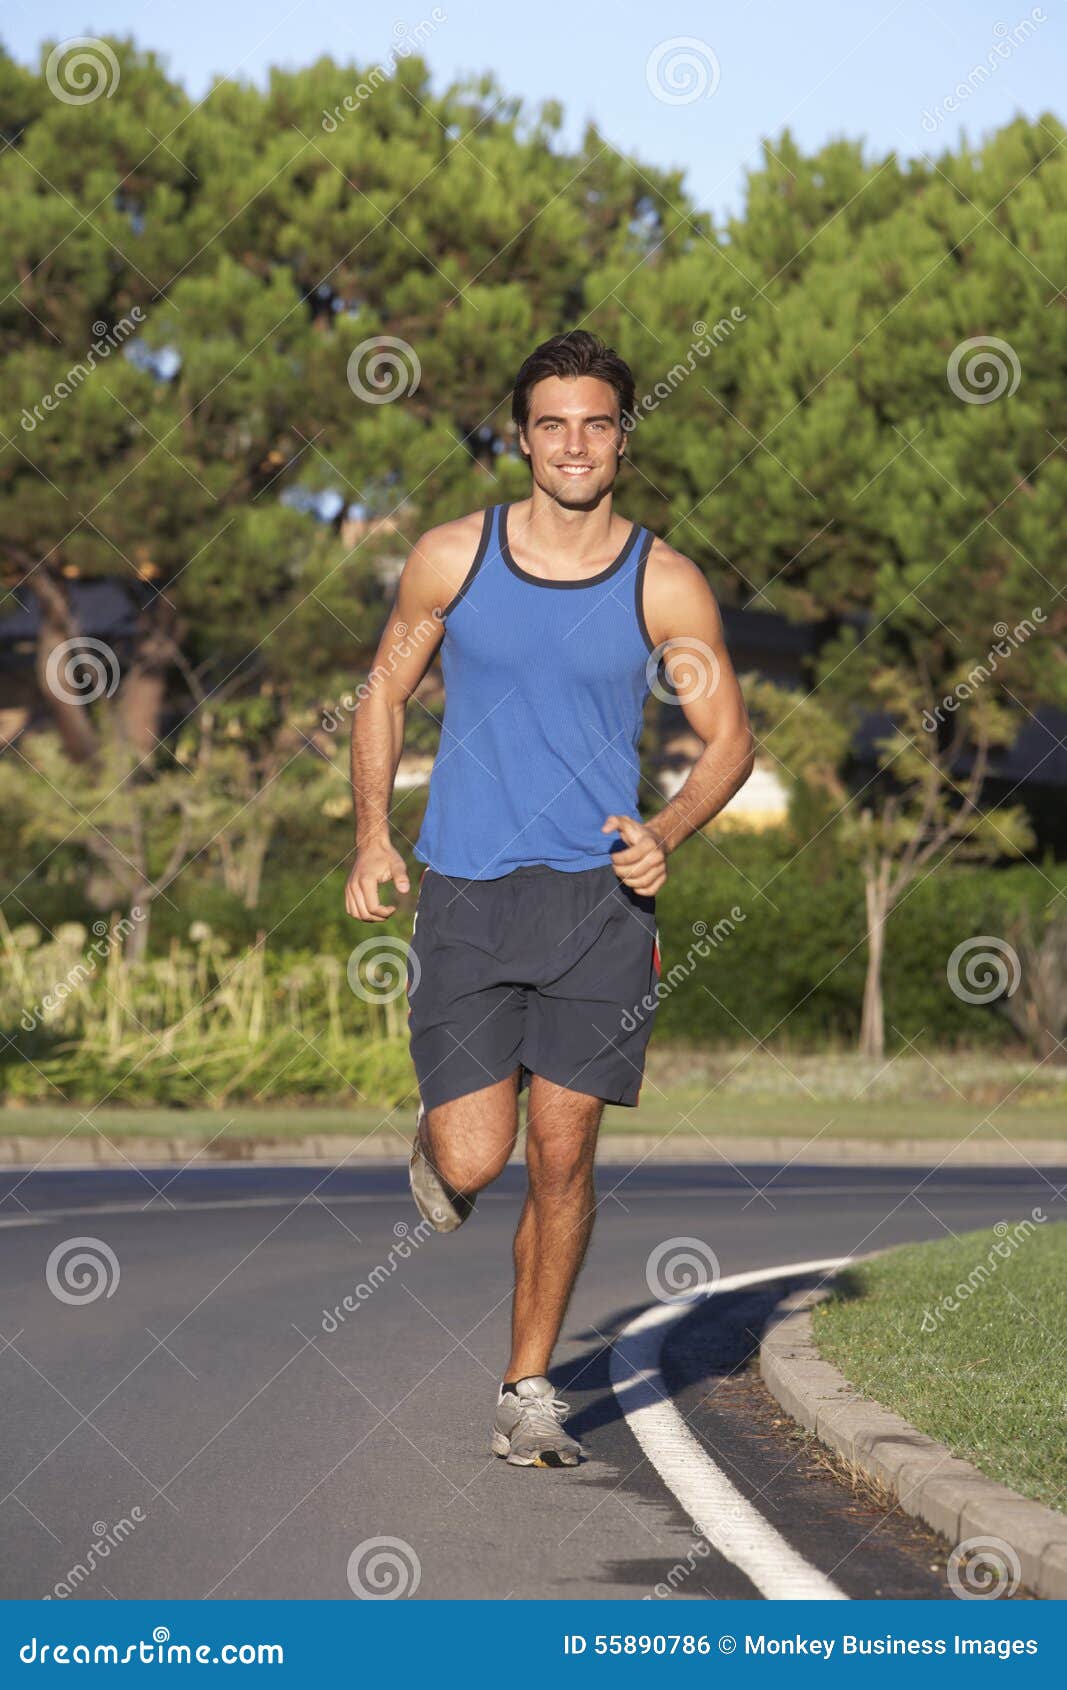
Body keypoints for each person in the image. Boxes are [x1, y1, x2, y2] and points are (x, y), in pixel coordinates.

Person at [346, 329, 754, 1467]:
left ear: (623, 434)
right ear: (520, 436)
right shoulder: (451, 559)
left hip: (595, 909)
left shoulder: (660, 579)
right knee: (478, 1158)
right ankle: (439, 1148)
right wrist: (373, 834)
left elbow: (726, 740)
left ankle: (527, 1387)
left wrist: (663, 831)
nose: (574, 443)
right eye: (550, 423)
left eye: (596, 422)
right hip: (468, 894)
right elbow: (381, 690)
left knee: (564, 1154)